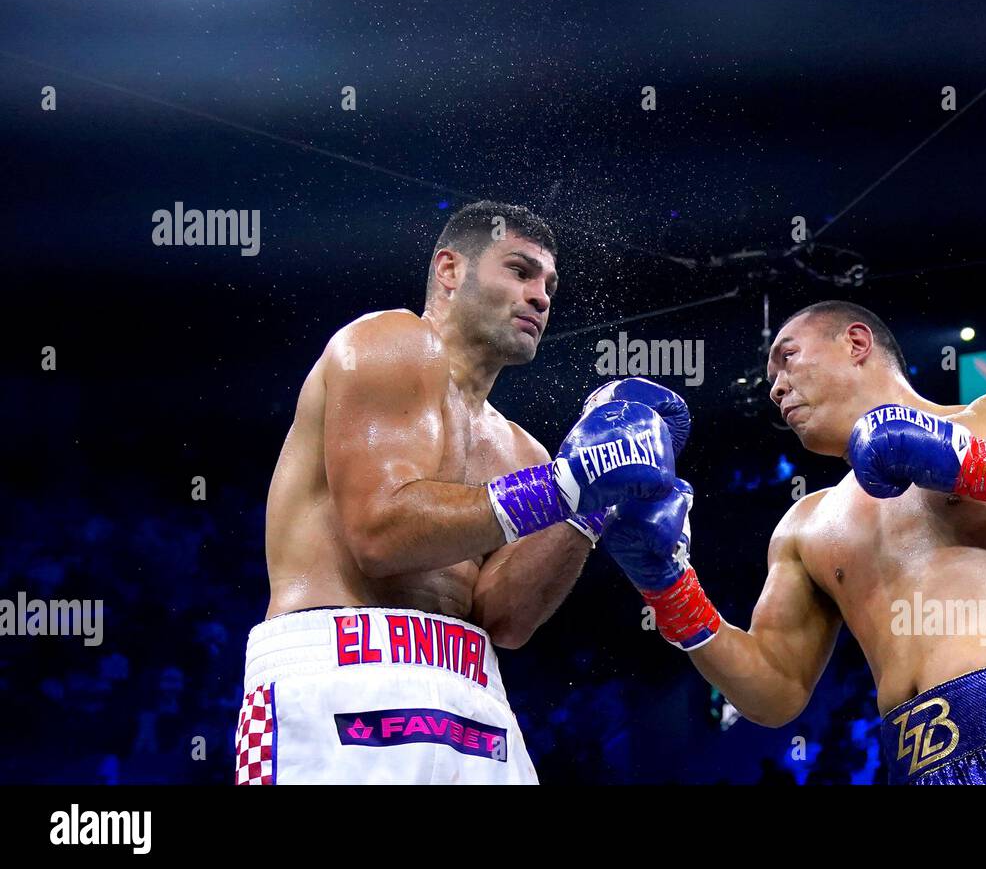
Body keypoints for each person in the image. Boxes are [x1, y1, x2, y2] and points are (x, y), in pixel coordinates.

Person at [601, 299, 986, 784]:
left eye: (786, 356)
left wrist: (966, 462)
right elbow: (775, 692)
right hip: (911, 763)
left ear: (856, 343)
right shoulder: (806, 525)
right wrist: (670, 589)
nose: (774, 386)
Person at [236, 201, 680, 784]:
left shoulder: (526, 456)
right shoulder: (386, 342)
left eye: (549, 284)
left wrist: (593, 507)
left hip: (474, 693)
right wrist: (569, 484)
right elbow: (379, 534)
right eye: (520, 272)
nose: (541, 297)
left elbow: (507, 622)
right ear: (450, 270)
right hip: (341, 672)